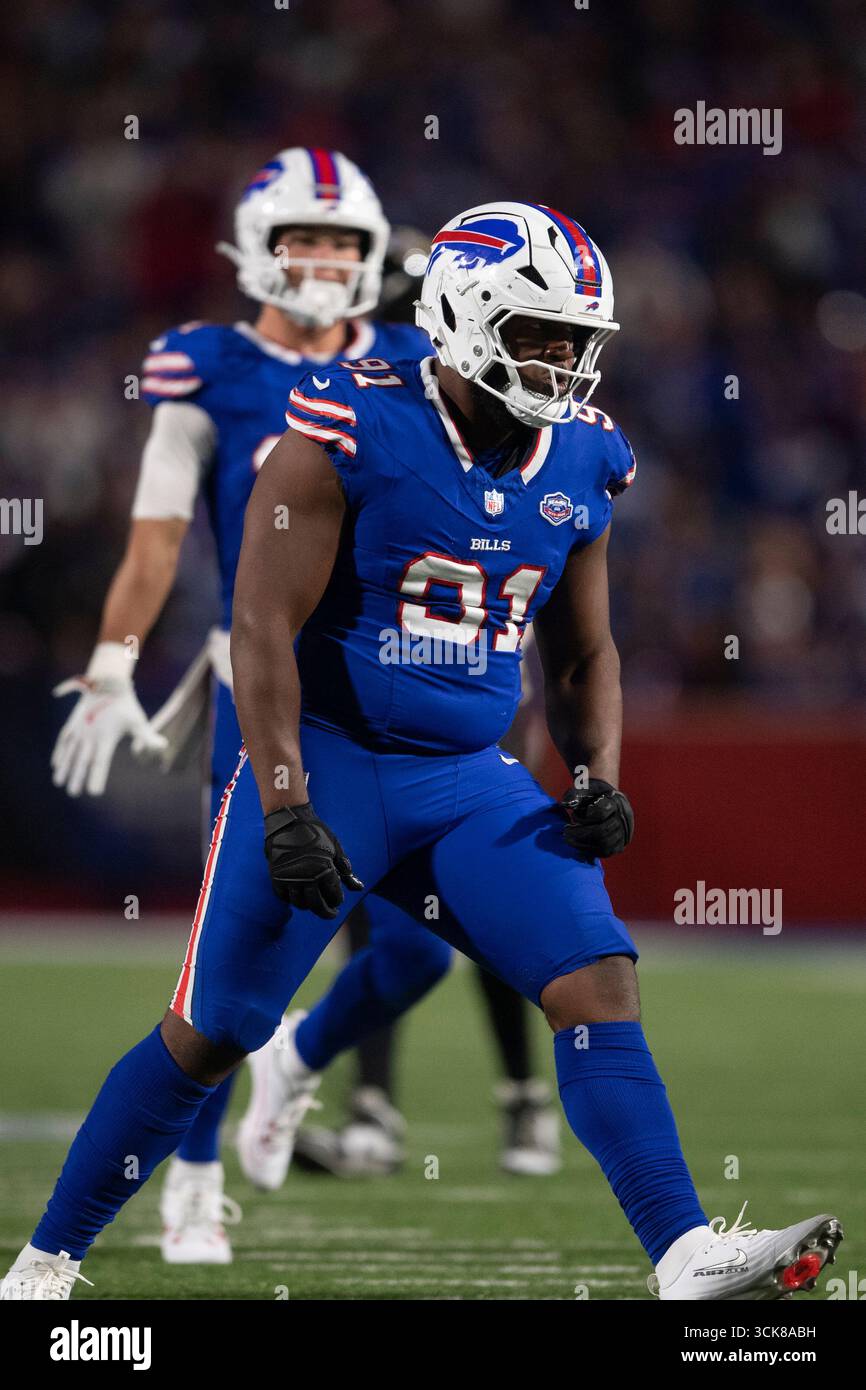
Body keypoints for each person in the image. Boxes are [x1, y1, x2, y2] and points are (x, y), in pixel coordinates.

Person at [6, 200, 842, 1301]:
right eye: (539, 332)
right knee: (211, 1033)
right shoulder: (348, 424)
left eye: (575, 339)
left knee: (595, 981)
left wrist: (595, 775)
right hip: (331, 753)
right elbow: (259, 624)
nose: (563, 360)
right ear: (465, 315)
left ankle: (683, 1255)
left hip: (464, 777)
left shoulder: (584, 455)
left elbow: (584, 652)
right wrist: (284, 799)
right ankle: (44, 1262)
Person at [46, 147, 441, 1264]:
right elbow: (158, 538)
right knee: (225, 972)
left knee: (418, 955)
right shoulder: (206, 367)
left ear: (368, 256)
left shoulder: (413, 359)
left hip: (390, 684)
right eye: (299, 239)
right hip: (256, 687)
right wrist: (115, 660)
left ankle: (298, 1061)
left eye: (340, 242)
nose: (319, 261)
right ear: (253, 248)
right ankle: (196, 1173)